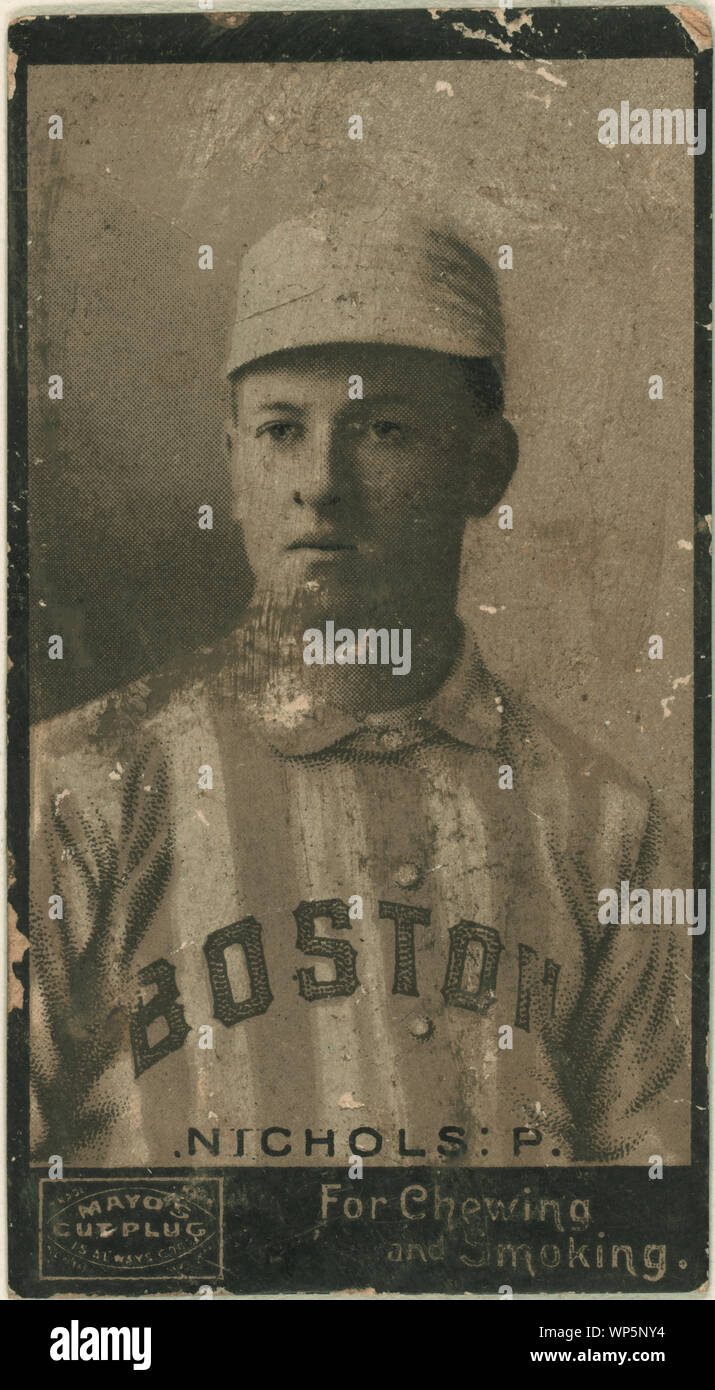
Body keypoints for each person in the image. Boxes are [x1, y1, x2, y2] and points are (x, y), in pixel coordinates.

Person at [30, 208, 689, 1168]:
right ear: (235, 464)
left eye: (381, 429)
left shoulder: (608, 827)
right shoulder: (76, 788)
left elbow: (664, 1213)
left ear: (485, 465)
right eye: (281, 431)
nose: (321, 483)